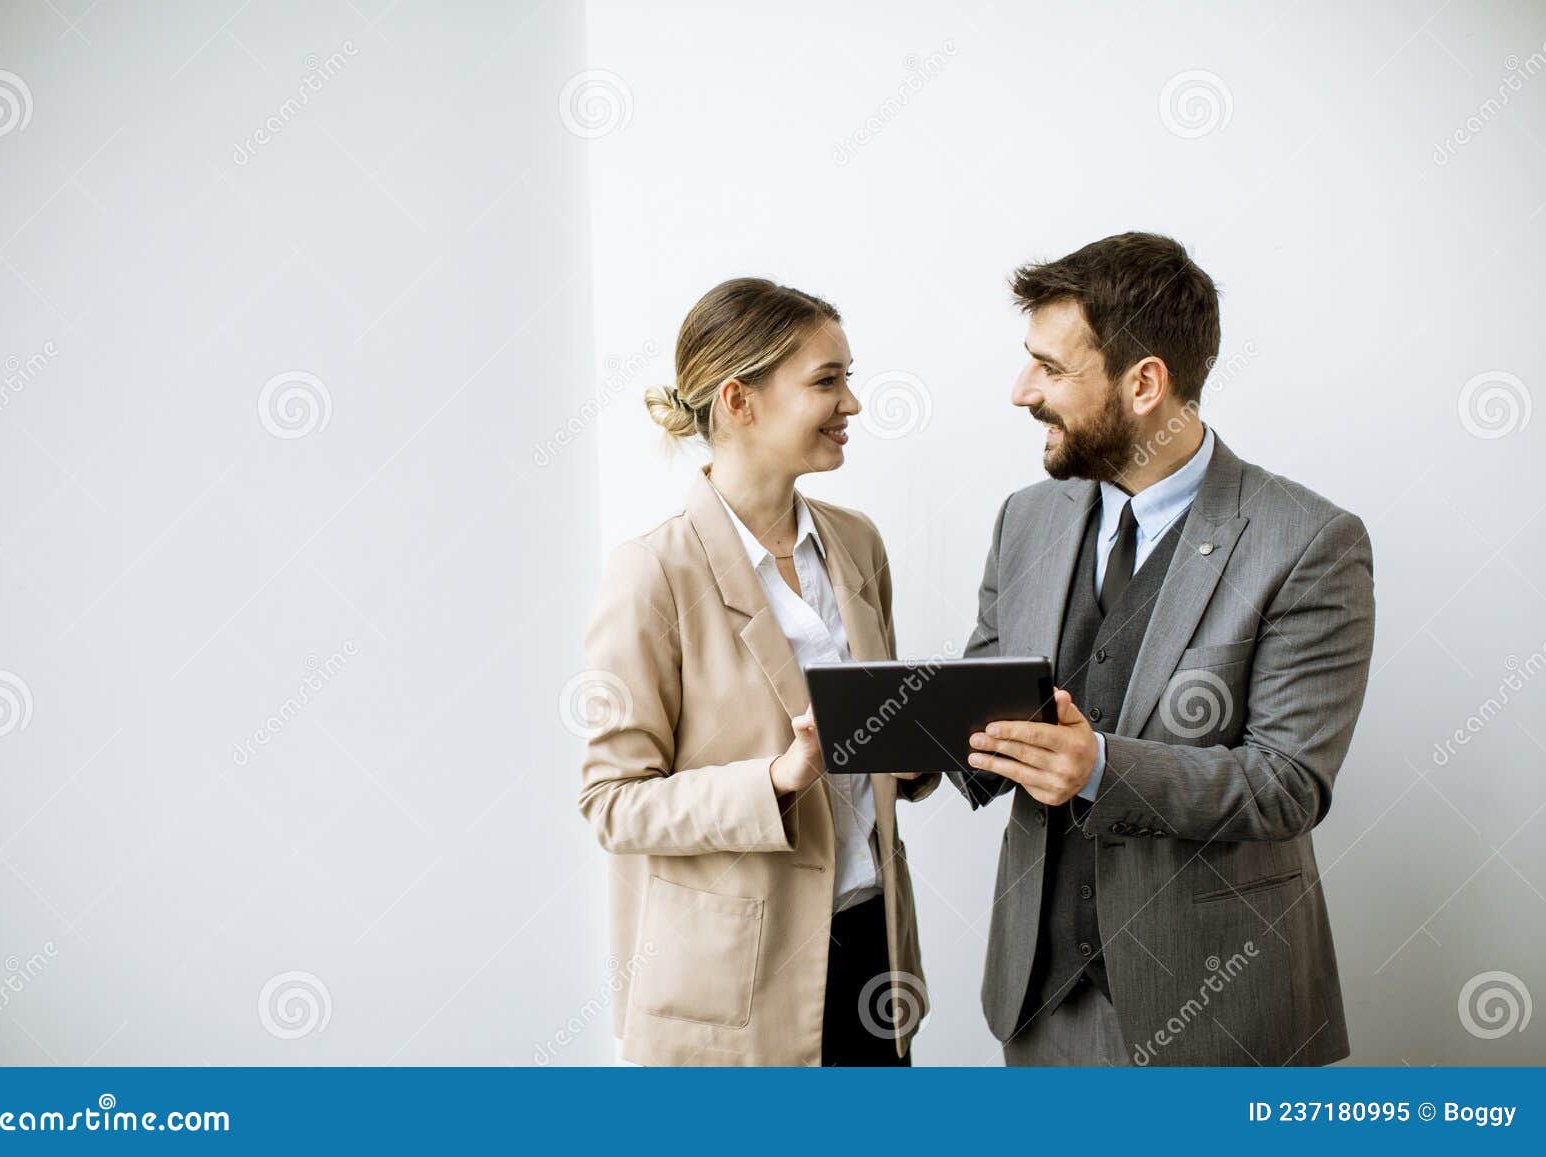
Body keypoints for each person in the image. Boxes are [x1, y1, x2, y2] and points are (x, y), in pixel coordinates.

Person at [952, 232, 1374, 1066]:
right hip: (1039, 1002)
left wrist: (1101, 766)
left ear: (1144, 383)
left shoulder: (1309, 540)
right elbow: (987, 692)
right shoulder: (1025, 518)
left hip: (1220, 1010)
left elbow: (1287, 784)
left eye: (1049, 367)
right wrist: (909, 744)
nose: (1021, 390)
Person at [579, 278, 938, 1066]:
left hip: (873, 950)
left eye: (848, 377)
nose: (852, 403)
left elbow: (875, 751)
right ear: (739, 401)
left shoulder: (857, 543)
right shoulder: (653, 571)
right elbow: (613, 804)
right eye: (826, 380)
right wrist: (777, 778)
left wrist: (912, 754)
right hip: (735, 989)